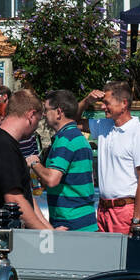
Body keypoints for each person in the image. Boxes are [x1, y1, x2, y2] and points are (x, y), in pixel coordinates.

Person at [82, 82, 140, 234]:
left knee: (122, 257)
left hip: (124, 212)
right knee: (103, 257)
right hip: (103, 209)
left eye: (107, 103)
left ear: (124, 104)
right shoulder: (104, 125)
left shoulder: (139, 132)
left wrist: (137, 220)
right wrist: (86, 101)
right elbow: (71, 121)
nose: (102, 107)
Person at [0, 88, 51, 231]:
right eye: (38, 121)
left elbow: (26, 198)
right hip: (4, 236)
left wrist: (50, 230)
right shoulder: (3, 147)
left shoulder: (6, 143)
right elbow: (14, 200)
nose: (36, 128)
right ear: (31, 115)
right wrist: (47, 235)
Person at [30, 90, 97, 231]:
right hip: (82, 221)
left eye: (46, 110)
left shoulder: (66, 140)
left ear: (59, 112)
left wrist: (34, 163)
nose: (43, 115)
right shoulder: (76, 137)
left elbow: (52, 179)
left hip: (70, 224)